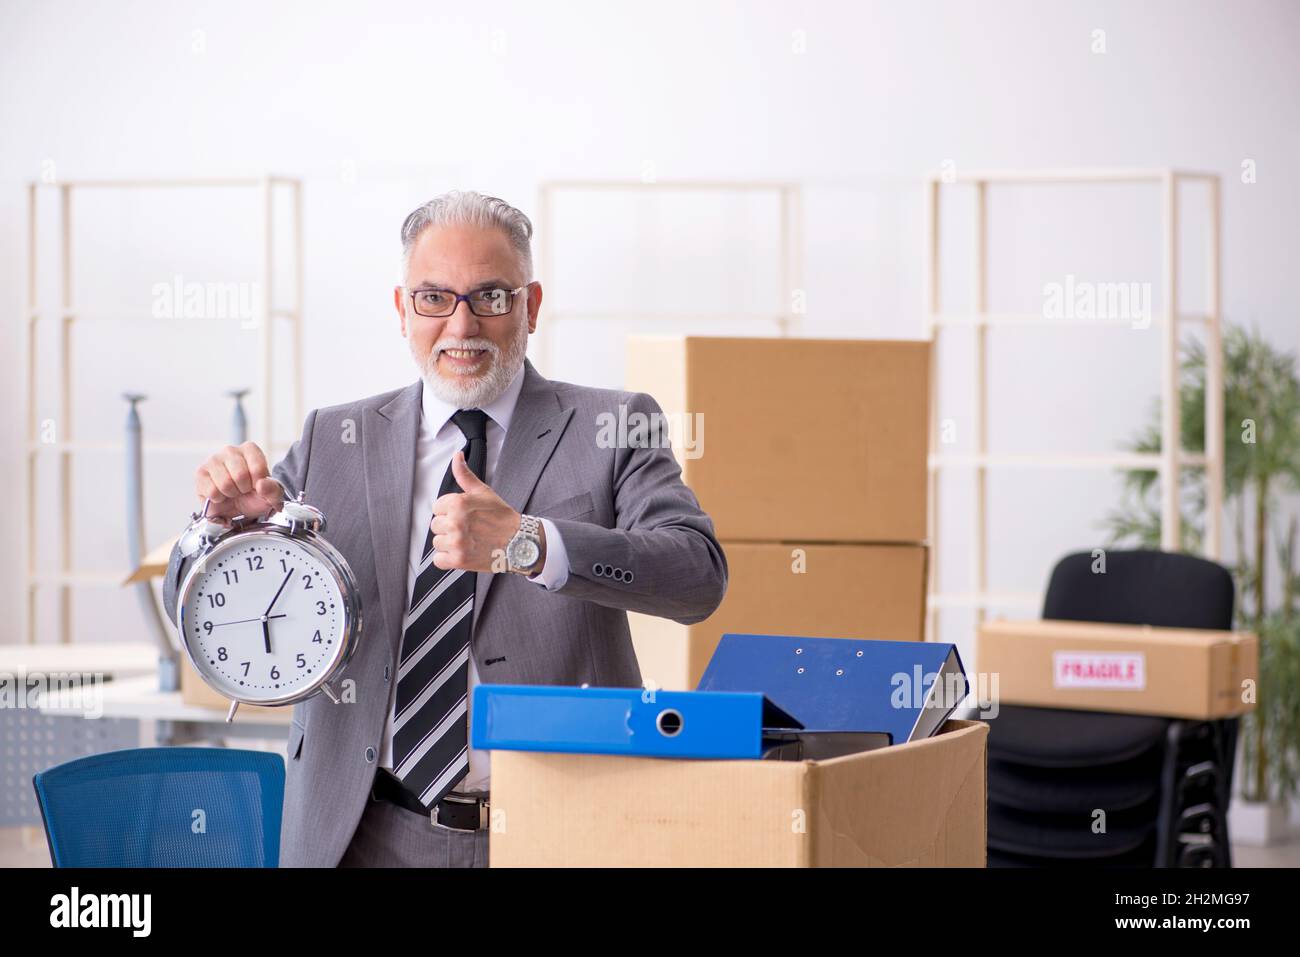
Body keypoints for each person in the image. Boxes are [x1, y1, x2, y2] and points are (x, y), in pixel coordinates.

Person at [162, 190, 728, 867]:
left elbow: (697, 575)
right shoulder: (333, 439)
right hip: (363, 831)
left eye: (490, 296)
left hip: (560, 831)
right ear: (403, 310)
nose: (462, 326)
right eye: (434, 298)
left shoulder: (613, 426)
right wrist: (219, 531)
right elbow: (193, 606)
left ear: (531, 305)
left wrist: (530, 543)